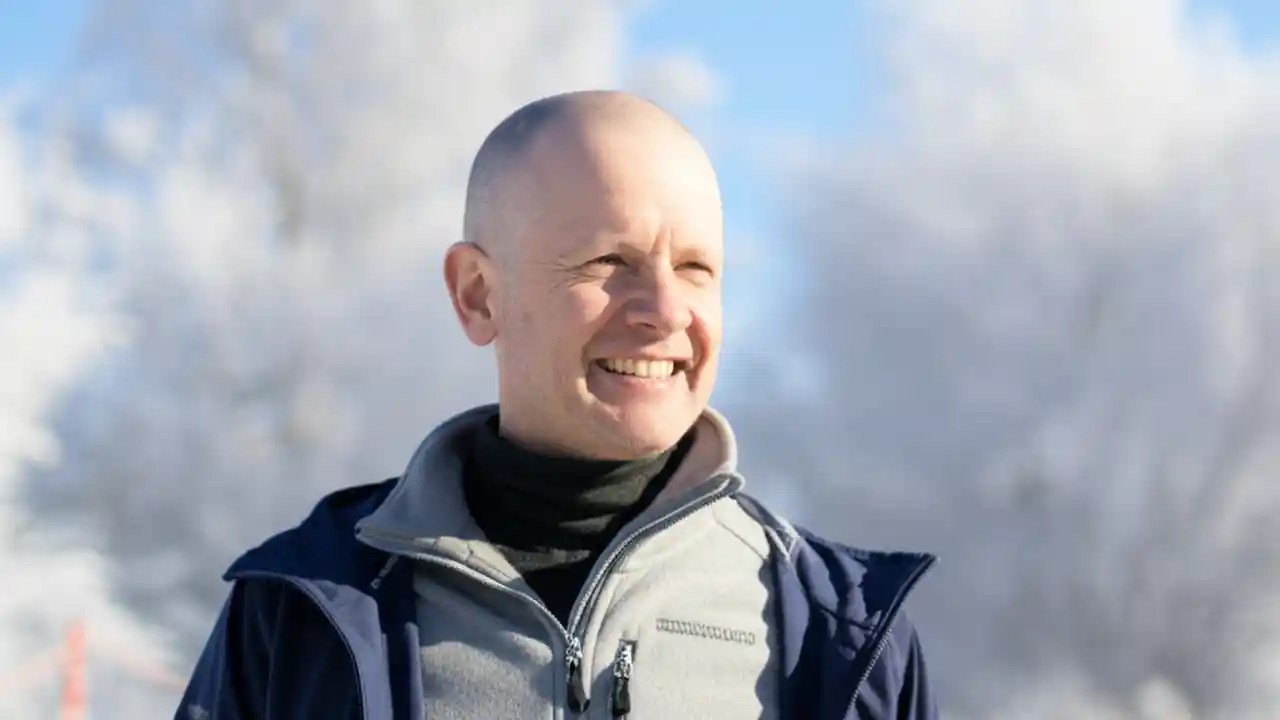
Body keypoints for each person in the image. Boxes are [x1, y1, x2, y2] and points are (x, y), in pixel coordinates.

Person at [176, 90, 937, 719]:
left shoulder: (843, 636)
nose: (665, 310)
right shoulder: (304, 612)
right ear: (478, 294)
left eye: (696, 268)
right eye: (610, 261)